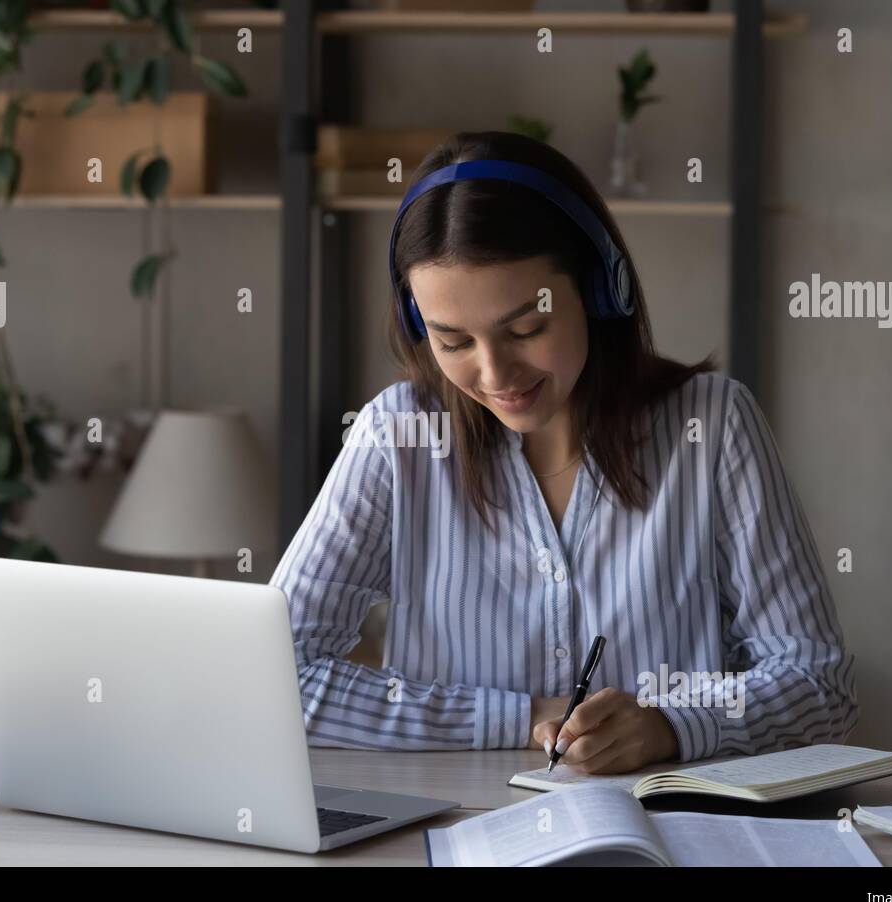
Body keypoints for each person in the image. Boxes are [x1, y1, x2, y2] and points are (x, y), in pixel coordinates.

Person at [269, 131, 857, 774]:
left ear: (603, 291)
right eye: (453, 340)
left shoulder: (712, 426)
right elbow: (274, 677)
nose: (495, 374)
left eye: (527, 329)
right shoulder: (395, 437)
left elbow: (818, 683)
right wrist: (518, 717)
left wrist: (673, 726)